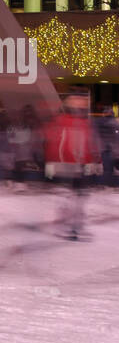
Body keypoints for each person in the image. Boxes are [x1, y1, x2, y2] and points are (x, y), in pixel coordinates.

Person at [44, 91, 102, 240]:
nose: (80, 103)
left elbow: (92, 143)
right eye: (76, 100)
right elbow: (52, 142)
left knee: (81, 196)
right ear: (69, 102)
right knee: (66, 197)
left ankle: (77, 226)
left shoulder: (86, 122)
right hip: (64, 163)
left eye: (82, 101)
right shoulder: (61, 120)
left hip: (82, 165)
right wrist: (51, 163)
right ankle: (64, 225)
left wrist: (96, 161)